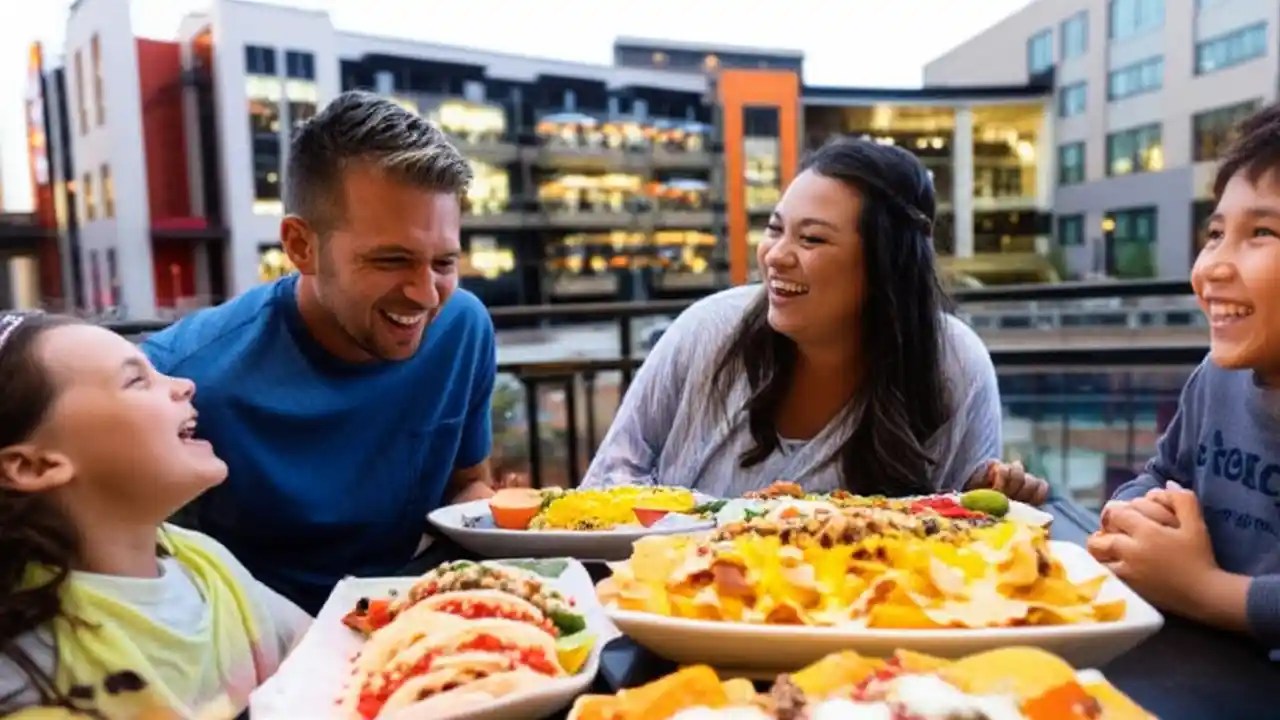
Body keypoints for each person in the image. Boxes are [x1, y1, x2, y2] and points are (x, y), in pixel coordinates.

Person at [143, 91, 497, 615]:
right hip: (258, 656)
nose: (425, 296)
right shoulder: (179, 376)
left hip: (413, 617)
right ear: (300, 246)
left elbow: (468, 484)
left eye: (443, 262)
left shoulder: (462, 326)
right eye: (391, 260)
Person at [582, 137, 1047, 503]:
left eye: (812, 240)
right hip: (676, 602)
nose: (776, 256)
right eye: (775, 229)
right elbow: (608, 482)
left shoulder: (954, 365)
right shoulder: (707, 331)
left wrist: (993, 500)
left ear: (885, 264)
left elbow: (964, 543)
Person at [0, 312, 310, 718]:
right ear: (34, 467)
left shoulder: (205, 563)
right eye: (136, 380)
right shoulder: (25, 672)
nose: (184, 385)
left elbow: (343, 659)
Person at [1087, 103, 1280, 648]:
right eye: (1215, 233)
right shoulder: (1217, 378)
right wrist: (1134, 513)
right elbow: (1163, 473)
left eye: (1262, 231)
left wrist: (1203, 590)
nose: (1212, 266)